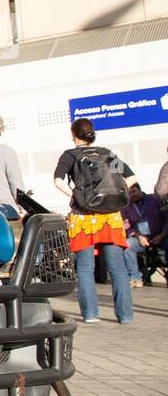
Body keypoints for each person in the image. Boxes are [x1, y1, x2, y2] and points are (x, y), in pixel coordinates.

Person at [54, 117, 137, 324]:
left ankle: (91, 315)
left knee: (84, 268)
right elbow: (132, 177)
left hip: (83, 218)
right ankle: (125, 316)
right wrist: (115, 193)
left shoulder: (70, 155)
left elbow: (57, 180)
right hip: (110, 217)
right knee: (117, 268)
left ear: (73, 135)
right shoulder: (107, 154)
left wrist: (74, 195)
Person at [120, 183, 165, 287]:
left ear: (139, 190)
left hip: (161, 236)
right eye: (129, 193)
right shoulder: (126, 207)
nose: (132, 195)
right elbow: (126, 226)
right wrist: (138, 236)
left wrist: (162, 235)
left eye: (134, 192)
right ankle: (135, 278)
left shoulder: (154, 199)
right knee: (127, 244)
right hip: (141, 238)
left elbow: (166, 218)